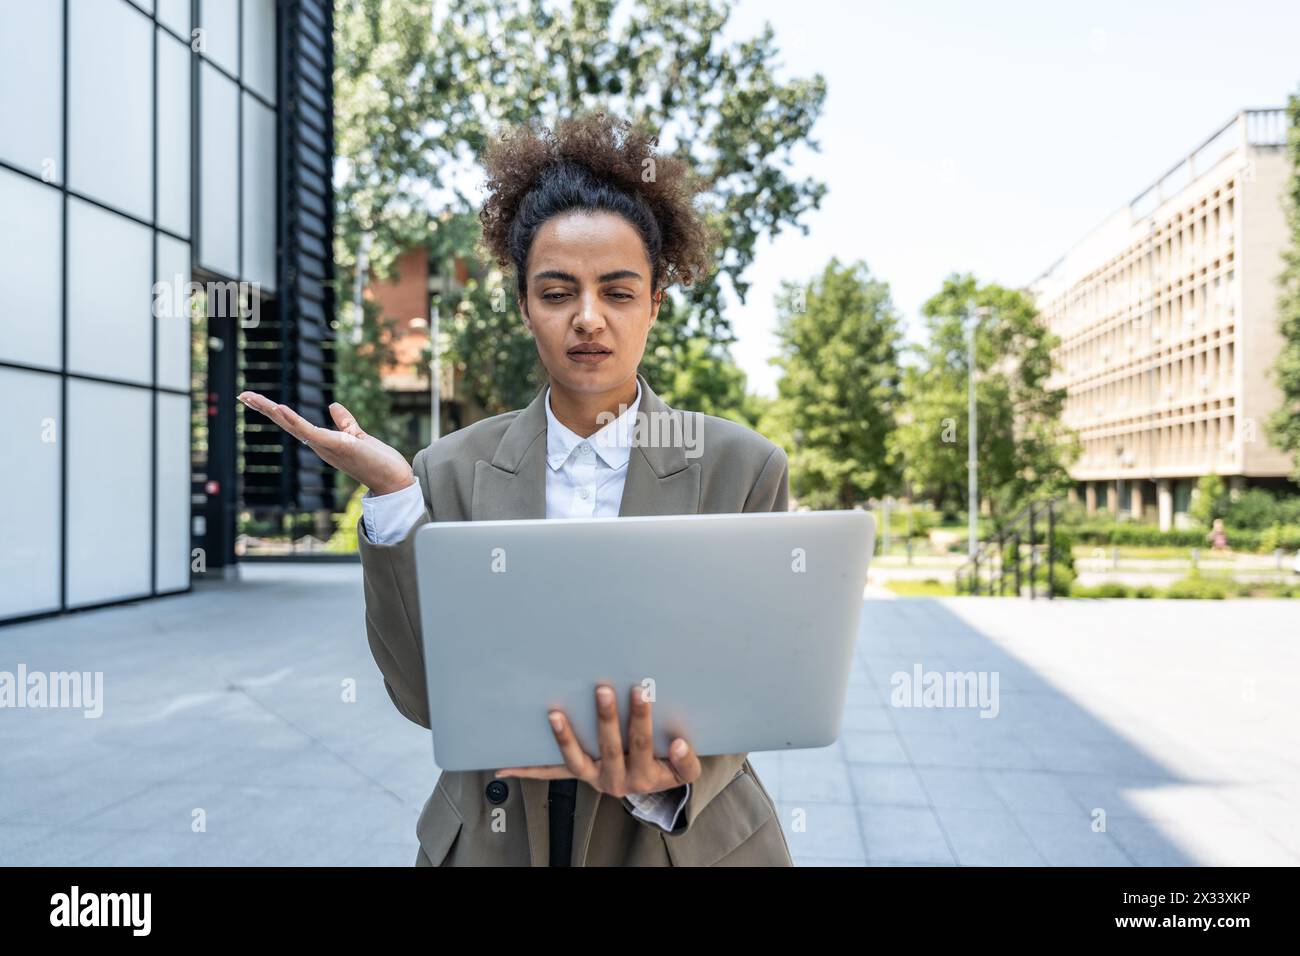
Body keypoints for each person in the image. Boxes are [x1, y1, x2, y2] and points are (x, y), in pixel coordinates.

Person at [240, 112, 793, 867]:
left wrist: (664, 781)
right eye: (558, 291)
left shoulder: (742, 467)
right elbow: (424, 696)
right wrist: (397, 498)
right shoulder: (448, 470)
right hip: (497, 836)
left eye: (619, 292)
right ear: (525, 305)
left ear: (655, 304)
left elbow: (754, 682)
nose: (588, 318)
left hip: (673, 840)